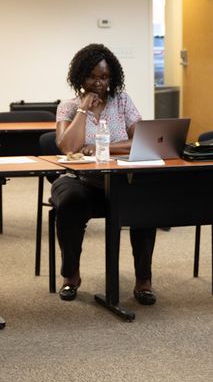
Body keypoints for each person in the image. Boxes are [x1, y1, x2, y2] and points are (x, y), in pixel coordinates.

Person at [52, 42, 157, 305]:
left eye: (105, 77)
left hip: (121, 180)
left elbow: (143, 139)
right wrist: (83, 110)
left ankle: (144, 280)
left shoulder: (122, 102)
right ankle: (71, 275)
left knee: (146, 203)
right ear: (80, 76)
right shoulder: (68, 106)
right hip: (81, 181)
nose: (99, 83)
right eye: (93, 76)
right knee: (69, 203)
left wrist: (102, 146)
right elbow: (67, 146)